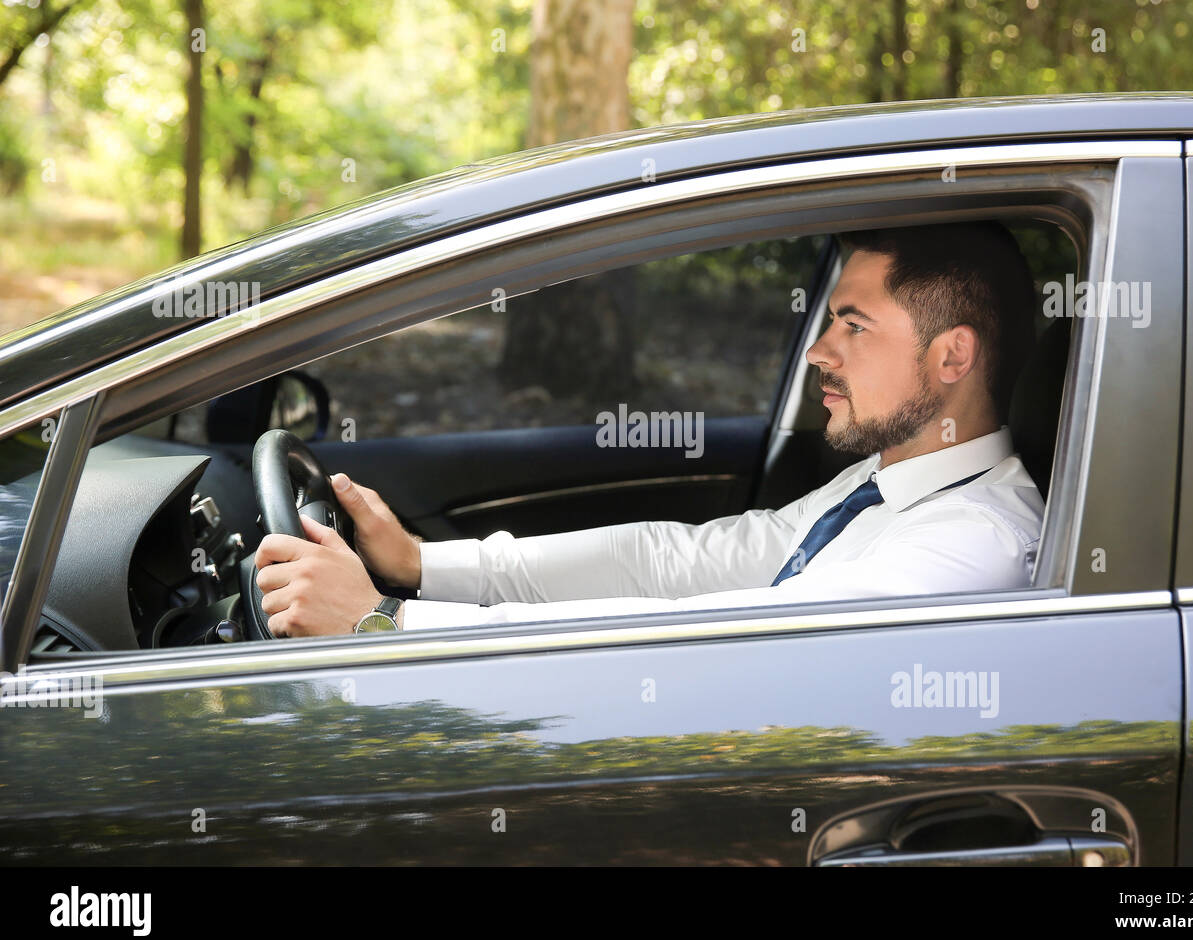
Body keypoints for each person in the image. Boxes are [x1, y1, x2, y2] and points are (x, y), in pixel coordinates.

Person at [254, 221, 1045, 637]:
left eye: (853, 326)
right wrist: (424, 565)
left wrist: (386, 624)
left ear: (952, 358)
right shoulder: (887, 483)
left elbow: (711, 635)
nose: (819, 351)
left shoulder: (971, 544)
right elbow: (677, 563)